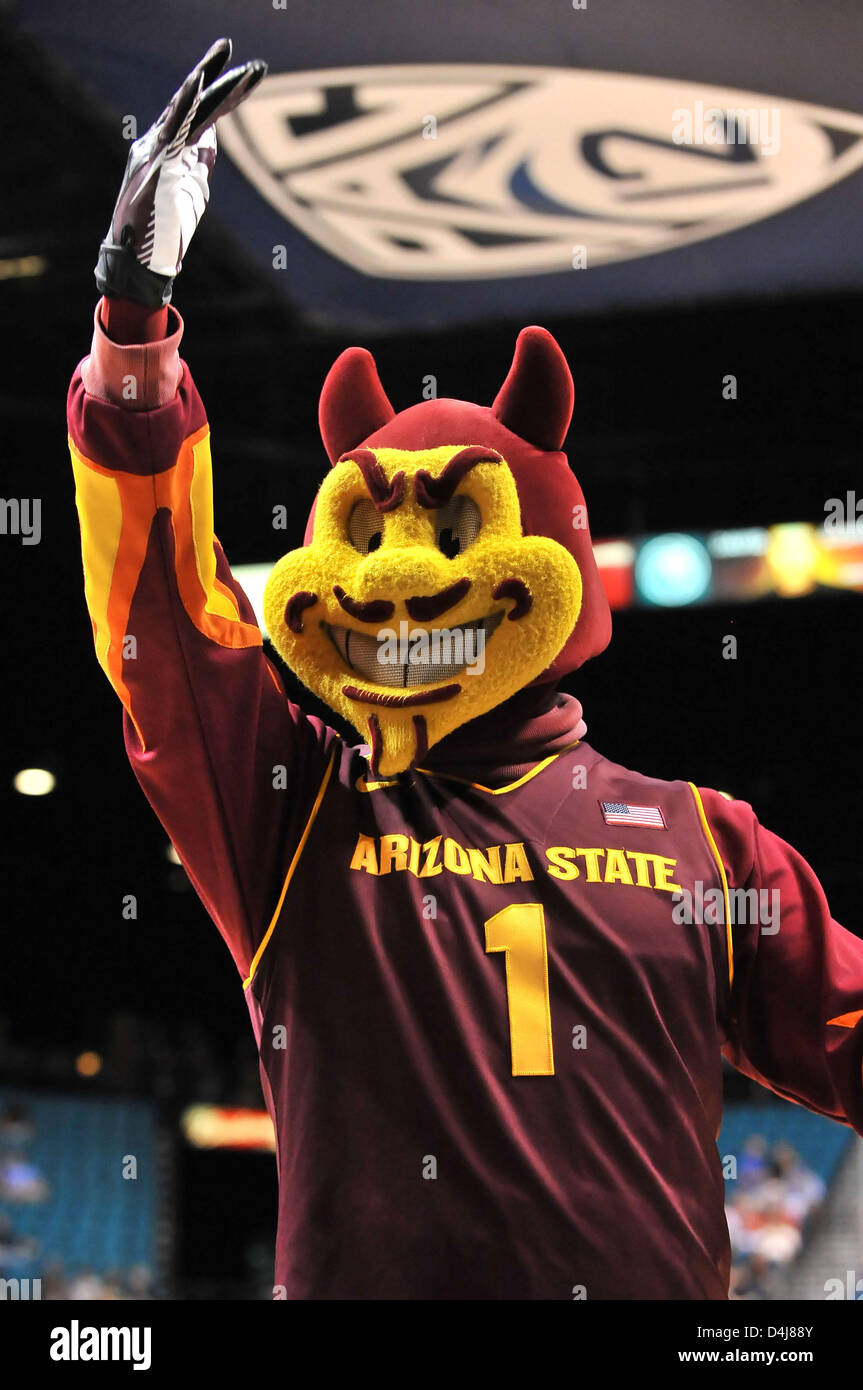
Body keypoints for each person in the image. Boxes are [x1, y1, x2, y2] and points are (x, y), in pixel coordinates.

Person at [66, 40, 863, 1300]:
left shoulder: (707, 845)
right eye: (365, 536)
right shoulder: (294, 808)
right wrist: (131, 332)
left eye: (441, 533)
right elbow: (163, 628)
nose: (391, 582)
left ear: (554, 556)